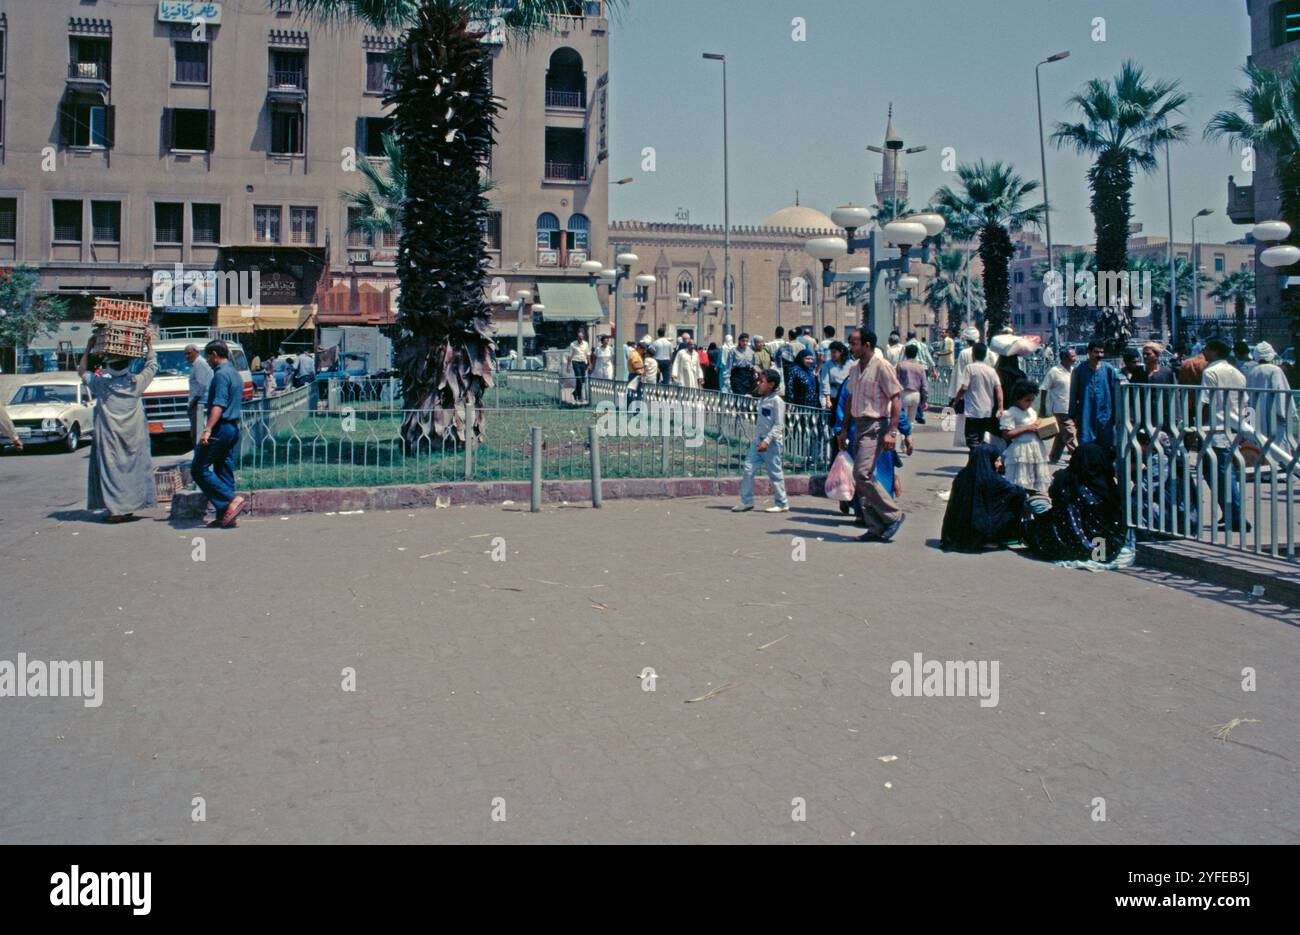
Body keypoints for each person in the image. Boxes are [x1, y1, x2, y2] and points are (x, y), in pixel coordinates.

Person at [79, 331, 158, 523]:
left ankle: (116, 510)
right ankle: (127, 506)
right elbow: (152, 366)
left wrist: (88, 348)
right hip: (134, 436)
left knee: (111, 471)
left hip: (110, 436)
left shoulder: (101, 385)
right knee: (133, 469)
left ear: (109, 367)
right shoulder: (136, 383)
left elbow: (82, 371)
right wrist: (149, 345)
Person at [836, 329, 905, 542]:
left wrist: (892, 432)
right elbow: (849, 399)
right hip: (858, 425)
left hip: (876, 426)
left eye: (854, 343)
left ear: (867, 345)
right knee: (864, 477)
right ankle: (875, 526)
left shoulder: (882, 366)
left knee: (862, 474)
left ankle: (893, 514)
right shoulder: (855, 369)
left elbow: (896, 397)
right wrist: (844, 428)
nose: (850, 347)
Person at [1023, 442, 1125, 562]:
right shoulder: (1106, 484)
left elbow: (1055, 500)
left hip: (1066, 541)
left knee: (1033, 520)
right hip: (1104, 546)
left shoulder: (1065, 478)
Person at [193, 340, 247, 528]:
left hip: (221, 427)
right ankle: (226, 516)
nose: (207, 360)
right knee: (222, 469)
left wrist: (207, 428)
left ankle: (231, 499)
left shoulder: (221, 375)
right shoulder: (234, 373)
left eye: (208, 356)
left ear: (215, 354)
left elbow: (219, 404)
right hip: (232, 427)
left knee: (198, 468)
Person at [940, 444, 1029, 551]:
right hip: (980, 527)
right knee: (1018, 497)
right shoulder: (992, 478)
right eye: (996, 460)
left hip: (959, 529)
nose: (999, 464)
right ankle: (993, 537)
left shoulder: (962, 475)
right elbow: (1017, 492)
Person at [1201, 337, 1248, 532]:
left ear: (1214, 351)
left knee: (1220, 474)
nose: (1203, 351)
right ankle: (1231, 514)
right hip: (1233, 427)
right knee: (1225, 473)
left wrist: (1199, 426)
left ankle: (1235, 517)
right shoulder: (1237, 373)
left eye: (1206, 348)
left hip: (1215, 428)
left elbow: (1205, 402)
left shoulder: (1211, 372)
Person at [732, 368, 789, 513]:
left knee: (775, 473)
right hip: (759, 441)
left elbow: (779, 425)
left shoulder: (777, 401)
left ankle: (782, 503)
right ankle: (746, 501)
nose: (759, 383)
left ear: (771, 384)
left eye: (762, 381)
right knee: (748, 468)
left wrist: (767, 441)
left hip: (772, 443)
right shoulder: (763, 398)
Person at [1000, 379, 1052, 493]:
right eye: (1027, 400)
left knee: (1036, 477)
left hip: (1036, 447)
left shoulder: (1032, 411)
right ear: (1017, 399)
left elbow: (1036, 426)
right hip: (1021, 449)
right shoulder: (1010, 413)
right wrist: (1026, 428)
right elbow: (1006, 434)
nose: (1030, 403)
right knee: (1021, 478)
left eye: (1032, 400)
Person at [1068, 339, 1120, 452]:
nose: (1099, 355)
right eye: (1096, 352)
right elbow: (1073, 394)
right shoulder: (1079, 370)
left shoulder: (1108, 369)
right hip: (1086, 414)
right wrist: (1073, 414)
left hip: (1105, 414)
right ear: (1089, 352)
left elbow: (1115, 393)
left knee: (1106, 446)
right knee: (1086, 446)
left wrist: (1117, 414)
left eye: (1101, 352)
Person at [952, 342, 1002, 448]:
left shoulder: (970, 368)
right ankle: (976, 462)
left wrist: (956, 399)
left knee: (971, 439)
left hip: (972, 411)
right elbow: (998, 389)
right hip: (987, 411)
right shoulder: (991, 370)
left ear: (973, 354)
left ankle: (975, 462)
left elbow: (964, 387)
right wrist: (1000, 407)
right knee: (980, 437)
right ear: (985, 355)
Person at [1246, 342, 1292, 451]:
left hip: (1256, 414)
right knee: (1278, 447)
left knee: (1260, 442)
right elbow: (1282, 392)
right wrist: (1284, 413)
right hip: (1274, 415)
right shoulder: (1275, 370)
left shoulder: (1253, 371)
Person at [1044, 347, 1077, 463]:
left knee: (1061, 434)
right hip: (1060, 408)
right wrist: (1043, 406)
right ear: (1063, 358)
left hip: (1072, 407)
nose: (1075, 359)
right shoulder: (1054, 371)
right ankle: (1078, 458)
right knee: (1070, 434)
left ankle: (1054, 457)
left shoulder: (1074, 371)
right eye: (1072, 356)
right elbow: (1044, 388)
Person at [185, 343, 213, 446]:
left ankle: (200, 459)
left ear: (197, 352)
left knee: (197, 433)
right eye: (185, 354)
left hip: (199, 403)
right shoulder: (197, 364)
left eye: (189, 353)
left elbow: (202, 385)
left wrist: (193, 402)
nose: (187, 356)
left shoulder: (199, 363)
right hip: (198, 402)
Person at [895, 343, 928, 426]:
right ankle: (908, 437)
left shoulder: (901, 365)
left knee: (902, 420)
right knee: (911, 421)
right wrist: (924, 400)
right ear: (916, 354)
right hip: (916, 395)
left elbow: (895, 381)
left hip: (903, 394)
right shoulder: (920, 367)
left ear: (906, 353)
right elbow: (924, 386)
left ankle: (903, 438)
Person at [819, 340, 851, 410]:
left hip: (847, 397)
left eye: (834, 352)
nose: (832, 354)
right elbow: (825, 383)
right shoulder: (826, 365)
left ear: (841, 352)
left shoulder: (851, 364)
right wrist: (827, 400)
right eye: (831, 352)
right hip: (833, 398)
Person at [566, 328, 591, 403]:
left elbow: (588, 354)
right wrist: (568, 366)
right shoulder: (573, 344)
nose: (580, 338)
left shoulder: (586, 344)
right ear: (577, 337)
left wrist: (589, 364)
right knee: (579, 379)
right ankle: (580, 396)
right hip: (575, 362)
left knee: (582, 381)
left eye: (581, 337)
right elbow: (570, 356)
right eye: (579, 337)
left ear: (583, 337)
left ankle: (575, 392)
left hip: (583, 363)